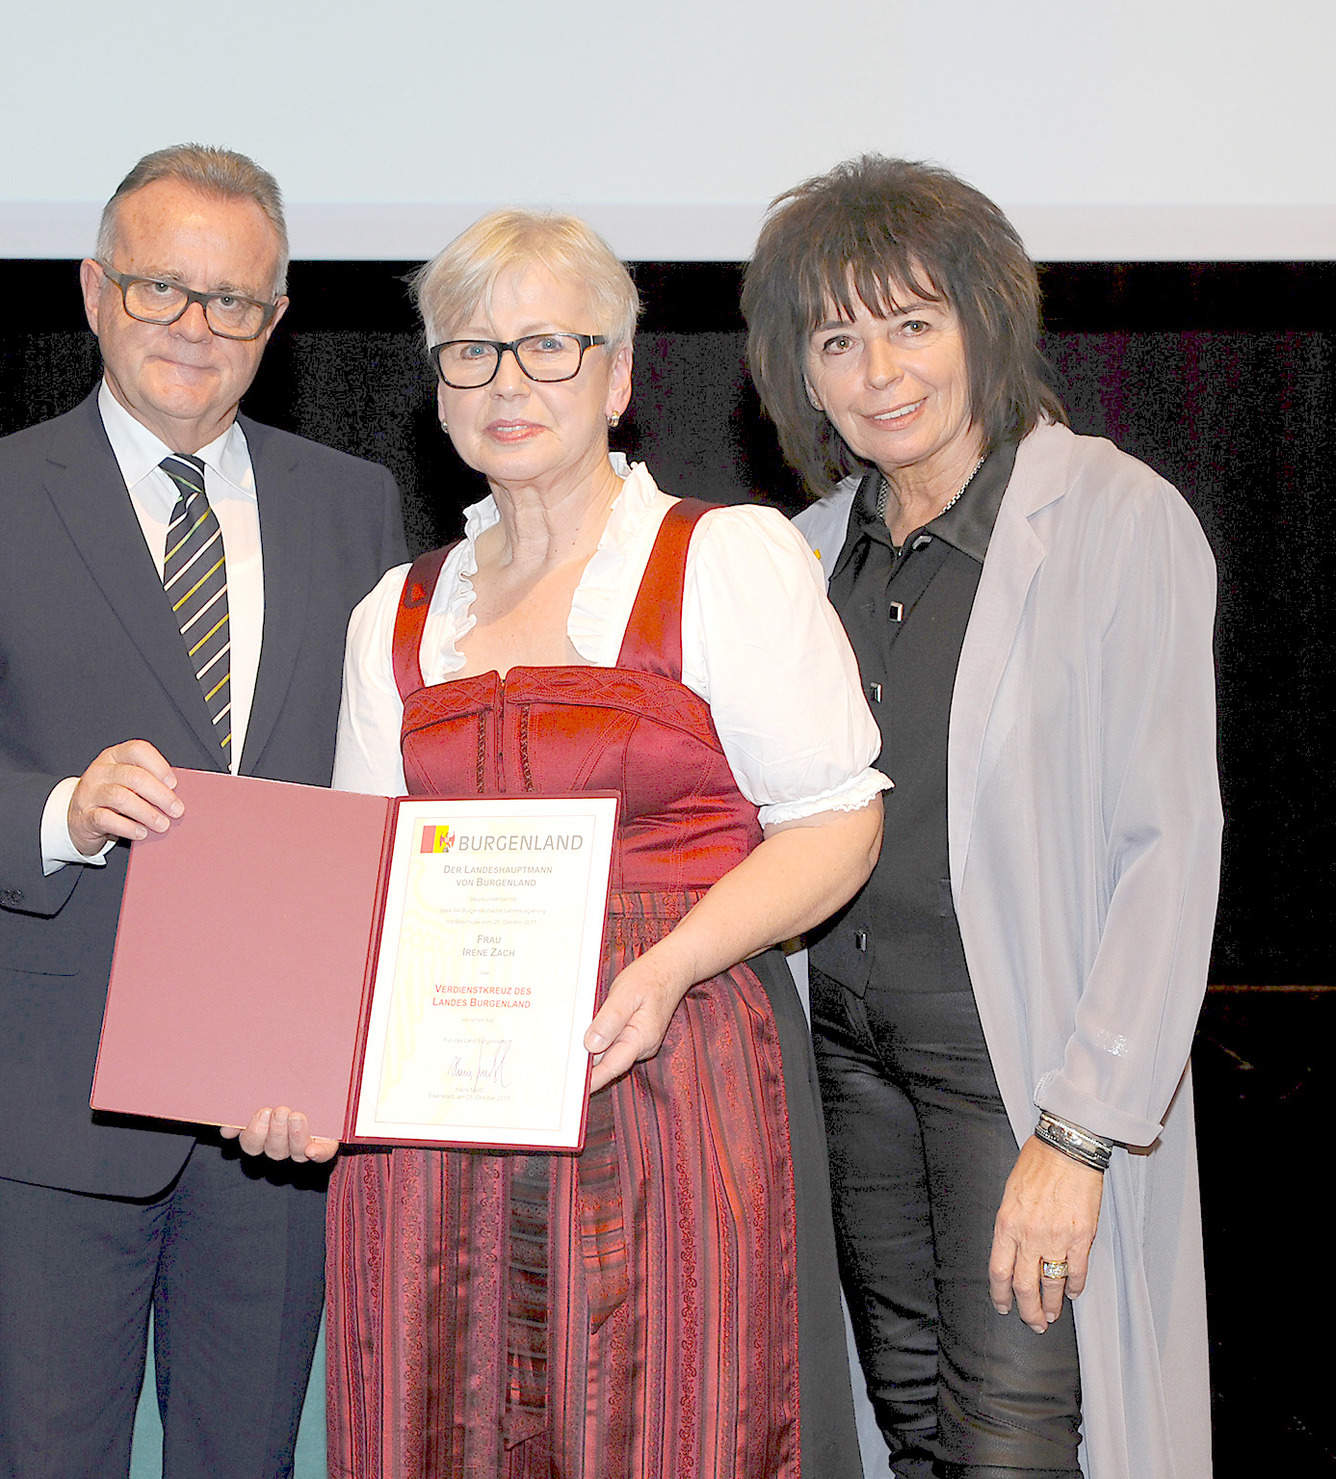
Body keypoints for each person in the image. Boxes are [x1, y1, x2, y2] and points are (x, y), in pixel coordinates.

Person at [284, 208, 885, 1478]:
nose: (508, 381)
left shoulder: (723, 558)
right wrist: (288, 1066)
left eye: (548, 346)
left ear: (616, 378)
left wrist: (666, 970)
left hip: (673, 1063)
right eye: (471, 351)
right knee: (439, 1419)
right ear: (436, 387)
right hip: (440, 1107)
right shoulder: (392, 615)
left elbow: (835, 820)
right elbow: (352, 885)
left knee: (682, 1413)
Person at [0, 144, 407, 1479]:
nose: (193, 326)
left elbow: (386, 791)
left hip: (276, 1112)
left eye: (231, 300)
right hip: (50, 1100)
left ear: (275, 324)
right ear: (95, 291)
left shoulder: (355, 504)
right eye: (162, 287)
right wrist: (50, 815)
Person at [743, 156, 1219, 1479]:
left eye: (913, 321)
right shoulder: (804, 552)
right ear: (800, 368)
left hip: (1019, 1077)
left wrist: (1080, 1131)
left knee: (1015, 1442)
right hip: (844, 1067)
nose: (879, 370)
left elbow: (1168, 850)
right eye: (837, 337)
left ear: (983, 323)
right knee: (909, 1427)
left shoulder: (1116, 521)